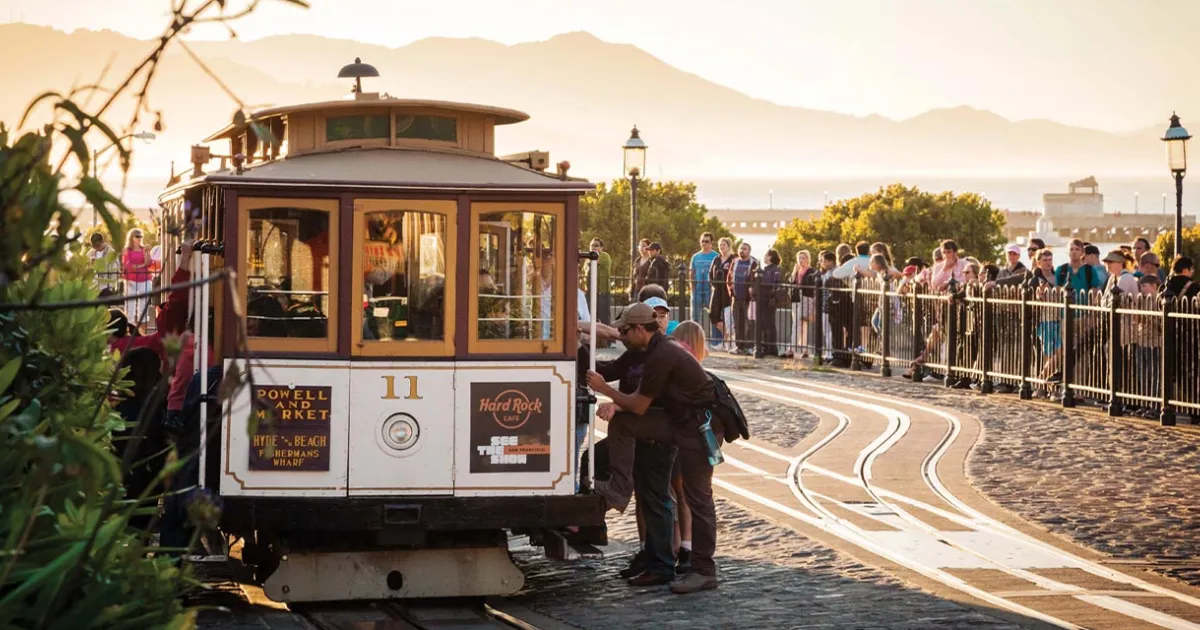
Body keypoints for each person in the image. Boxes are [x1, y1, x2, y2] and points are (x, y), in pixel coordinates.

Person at [587, 303, 719, 594]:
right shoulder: (644, 349)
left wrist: (605, 390)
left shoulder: (663, 354)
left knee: (698, 499)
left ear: (638, 329)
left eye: (624, 331)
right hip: (676, 422)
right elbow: (614, 374)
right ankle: (620, 490)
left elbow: (638, 404)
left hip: (698, 428)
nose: (620, 336)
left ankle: (703, 569)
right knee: (624, 427)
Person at [729, 242, 759, 355]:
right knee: (738, 323)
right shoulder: (735, 261)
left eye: (745, 249)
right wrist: (731, 291)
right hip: (736, 298)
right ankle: (739, 346)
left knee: (749, 323)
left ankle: (750, 347)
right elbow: (729, 277)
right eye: (741, 248)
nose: (742, 250)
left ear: (749, 251)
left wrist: (752, 291)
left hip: (748, 299)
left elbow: (756, 279)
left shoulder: (754, 262)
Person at [122, 228, 154, 328]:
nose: (139, 238)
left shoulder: (144, 249)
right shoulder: (127, 250)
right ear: (131, 237)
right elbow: (129, 265)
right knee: (129, 305)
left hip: (145, 279)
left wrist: (147, 253)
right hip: (130, 280)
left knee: (143, 306)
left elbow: (149, 263)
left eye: (141, 236)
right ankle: (130, 329)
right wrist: (142, 265)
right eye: (137, 236)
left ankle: (142, 331)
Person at [707, 237, 736, 350]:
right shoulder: (716, 259)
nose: (721, 247)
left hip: (728, 292)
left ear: (728, 246)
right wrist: (713, 284)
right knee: (714, 315)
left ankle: (727, 342)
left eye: (724, 245)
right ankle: (726, 337)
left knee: (728, 316)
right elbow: (710, 273)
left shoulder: (733, 259)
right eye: (720, 245)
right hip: (717, 291)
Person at [788, 250, 818, 359]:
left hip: (806, 299)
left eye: (803, 258)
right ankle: (804, 349)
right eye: (799, 258)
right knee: (799, 324)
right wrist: (794, 271)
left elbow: (813, 288)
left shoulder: (811, 271)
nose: (801, 260)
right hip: (796, 299)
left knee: (799, 324)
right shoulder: (797, 270)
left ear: (808, 259)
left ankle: (792, 348)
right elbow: (790, 282)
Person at [758, 249, 784, 356]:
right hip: (764, 299)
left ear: (770, 257)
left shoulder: (773, 270)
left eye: (765, 255)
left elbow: (774, 284)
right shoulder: (767, 269)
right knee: (765, 324)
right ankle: (767, 346)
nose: (764, 257)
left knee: (768, 324)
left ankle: (770, 347)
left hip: (768, 300)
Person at [689, 233, 719, 327]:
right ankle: (694, 338)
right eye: (702, 241)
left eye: (706, 241)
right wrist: (692, 288)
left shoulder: (716, 256)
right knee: (695, 317)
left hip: (710, 291)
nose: (704, 243)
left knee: (714, 316)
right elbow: (691, 272)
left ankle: (715, 341)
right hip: (697, 291)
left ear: (711, 243)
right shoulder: (695, 257)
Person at [588, 238, 613, 328]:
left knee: (604, 317)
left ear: (601, 247)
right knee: (592, 316)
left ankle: (608, 341)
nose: (593, 247)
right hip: (591, 292)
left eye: (596, 245)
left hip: (602, 291)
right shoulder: (588, 259)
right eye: (592, 245)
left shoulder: (604, 256)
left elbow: (596, 261)